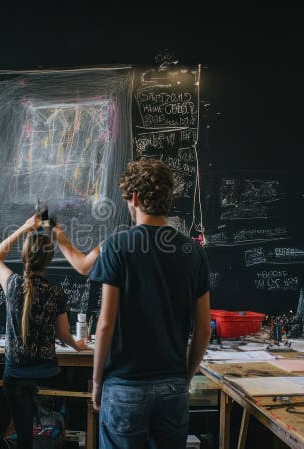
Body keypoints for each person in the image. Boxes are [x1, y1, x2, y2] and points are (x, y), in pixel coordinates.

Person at [88, 160, 212, 449]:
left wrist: (96, 382)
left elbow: (105, 325)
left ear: (135, 199)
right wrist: (185, 376)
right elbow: (204, 329)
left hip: (124, 385)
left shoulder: (117, 246)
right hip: (172, 385)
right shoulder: (193, 251)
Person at [0, 214, 87, 449]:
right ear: (49, 259)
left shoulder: (12, 285)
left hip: (14, 376)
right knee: (51, 434)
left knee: (24, 437)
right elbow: (63, 334)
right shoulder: (55, 294)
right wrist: (77, 345)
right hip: (47, 375)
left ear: (24, 256)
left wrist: (23, 228)